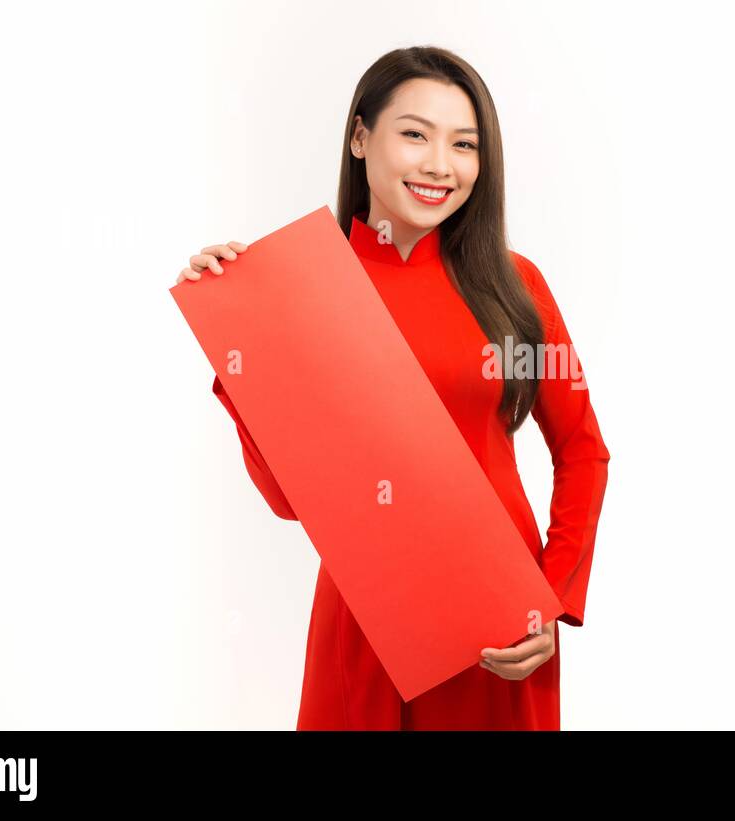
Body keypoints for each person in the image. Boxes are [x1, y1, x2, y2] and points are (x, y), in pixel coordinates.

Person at [175, 46, 610, 730]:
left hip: (502, 625)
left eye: (464, 144)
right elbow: (291, 502)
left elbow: (584, 451)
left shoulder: (514, 283)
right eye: (415, 134)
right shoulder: (298, 292)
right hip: (368, 623)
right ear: (359, 136)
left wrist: (552, 598)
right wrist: (241, 346)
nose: (441, 164)